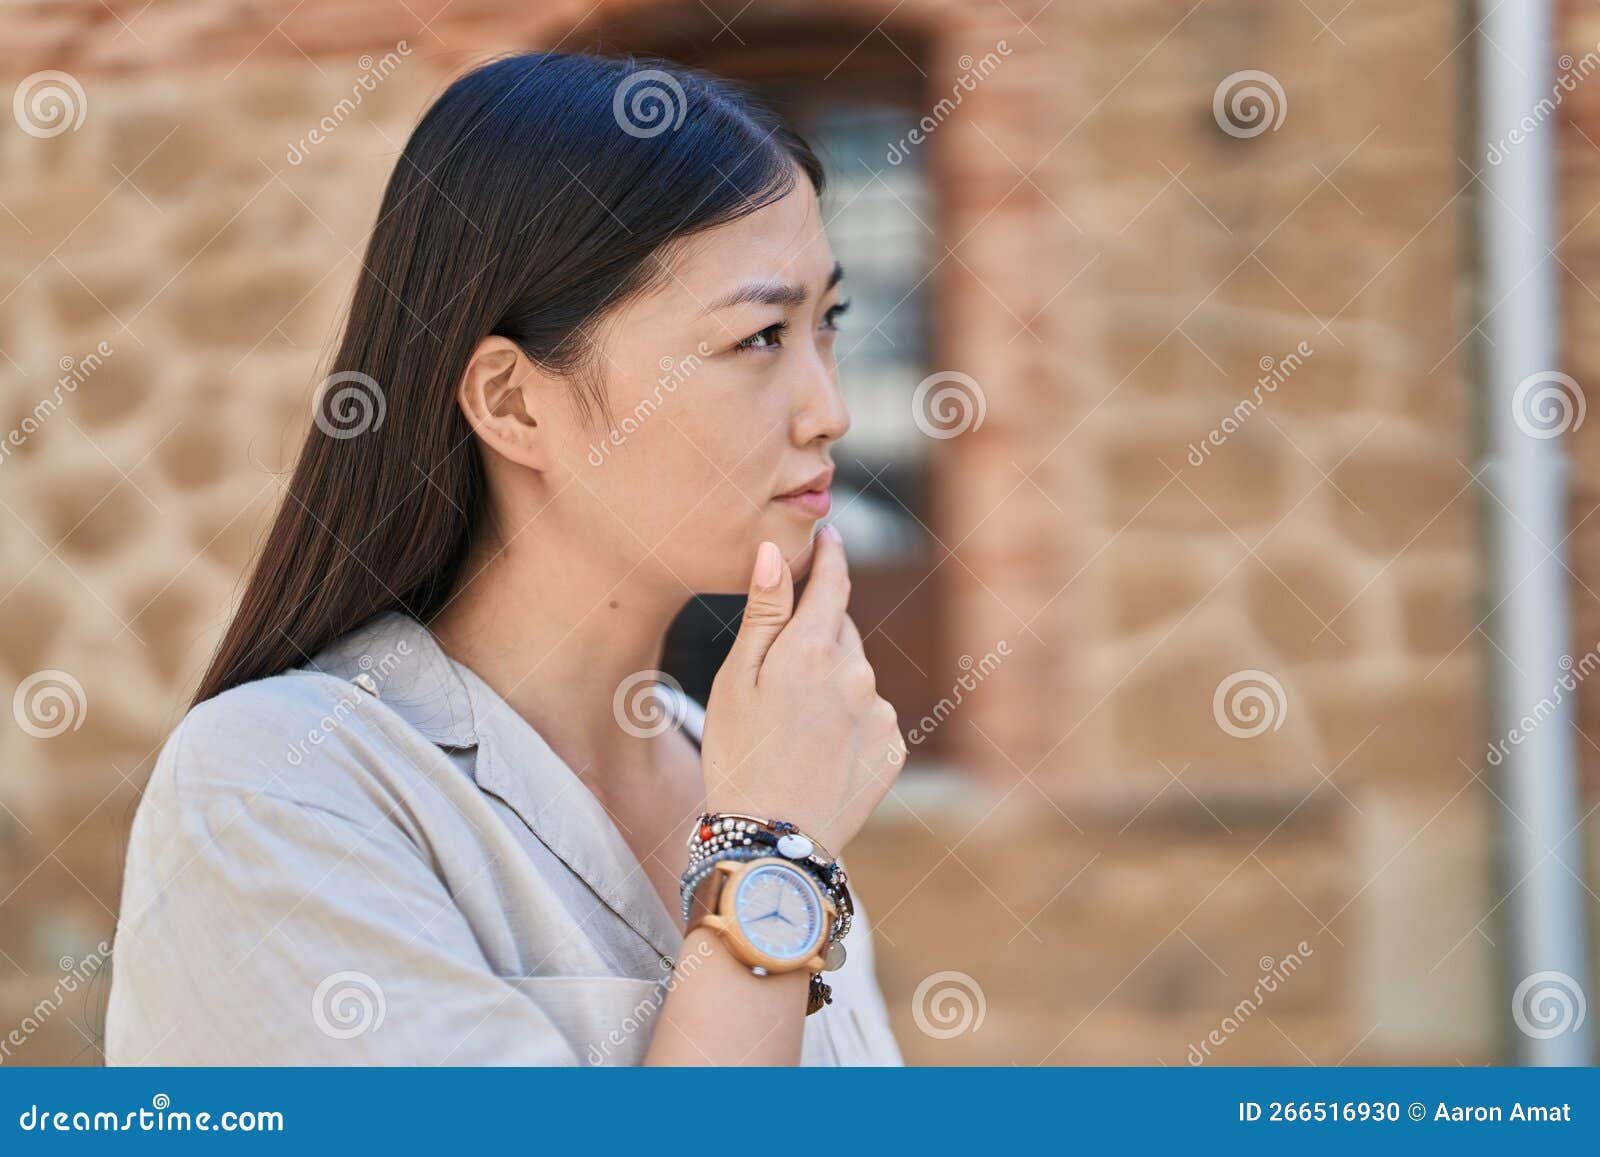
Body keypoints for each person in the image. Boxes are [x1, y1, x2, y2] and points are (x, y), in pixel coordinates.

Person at [104, 51, 907, 1066]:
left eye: (825, 324)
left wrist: (775, 839)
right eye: (757, 336)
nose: (828, 410)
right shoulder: (279, 787)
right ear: (512, 401)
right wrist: (764, 865)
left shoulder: (764, 772)